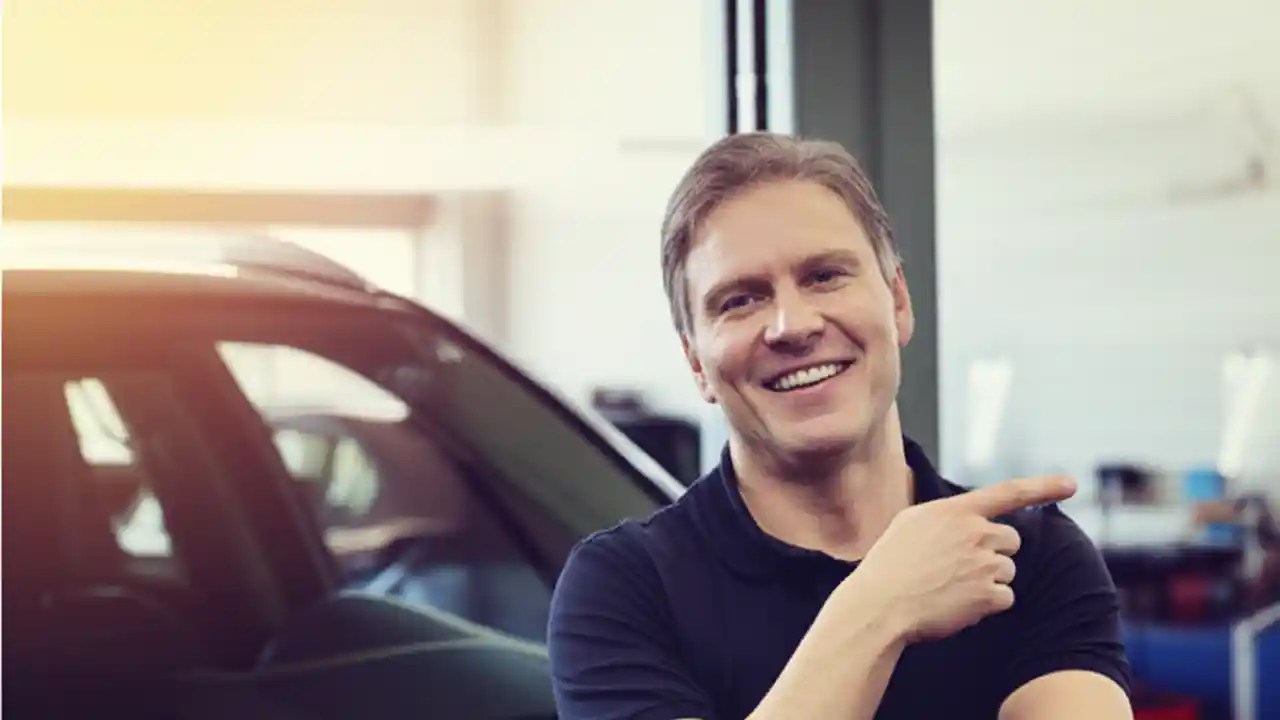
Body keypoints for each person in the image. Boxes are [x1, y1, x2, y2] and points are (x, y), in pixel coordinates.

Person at [547, 133, 1132, 720]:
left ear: (898, 302)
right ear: (697, 362)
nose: (792, 325)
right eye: (740, 300)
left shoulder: (1028, 559)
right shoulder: (625, 590)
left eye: (825, 276)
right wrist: (880, 607)